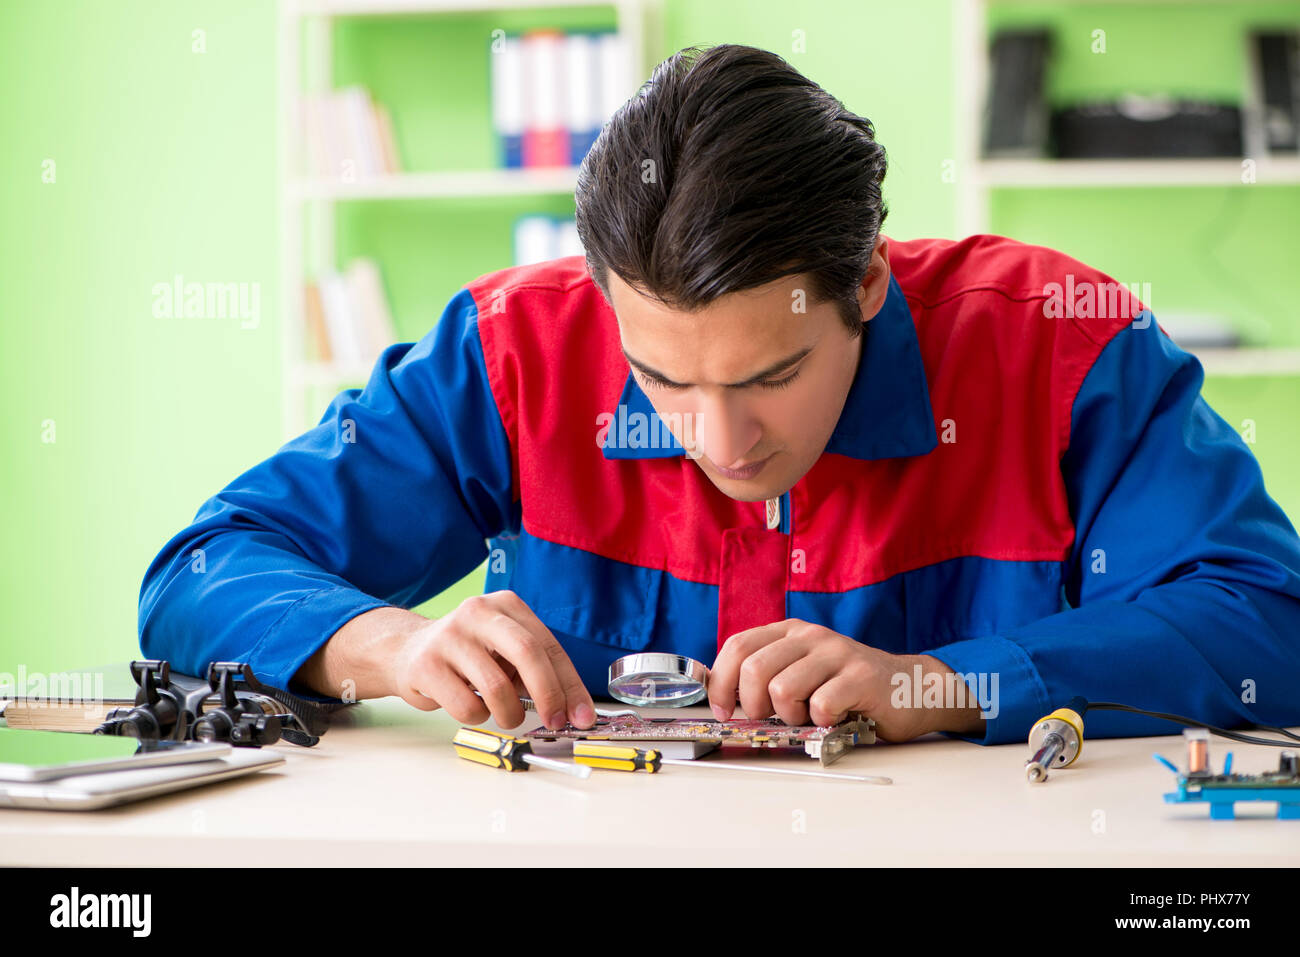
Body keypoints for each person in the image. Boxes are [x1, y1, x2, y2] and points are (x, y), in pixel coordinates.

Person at [139, 44, 1300, 746]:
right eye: (661, 379)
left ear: (866, 281)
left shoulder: (1059, 347)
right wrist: (387, 645)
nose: (718, 440)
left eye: (772, 375)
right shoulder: (512, 352)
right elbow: (200, 572)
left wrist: (947, 682)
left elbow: (1270, 624)